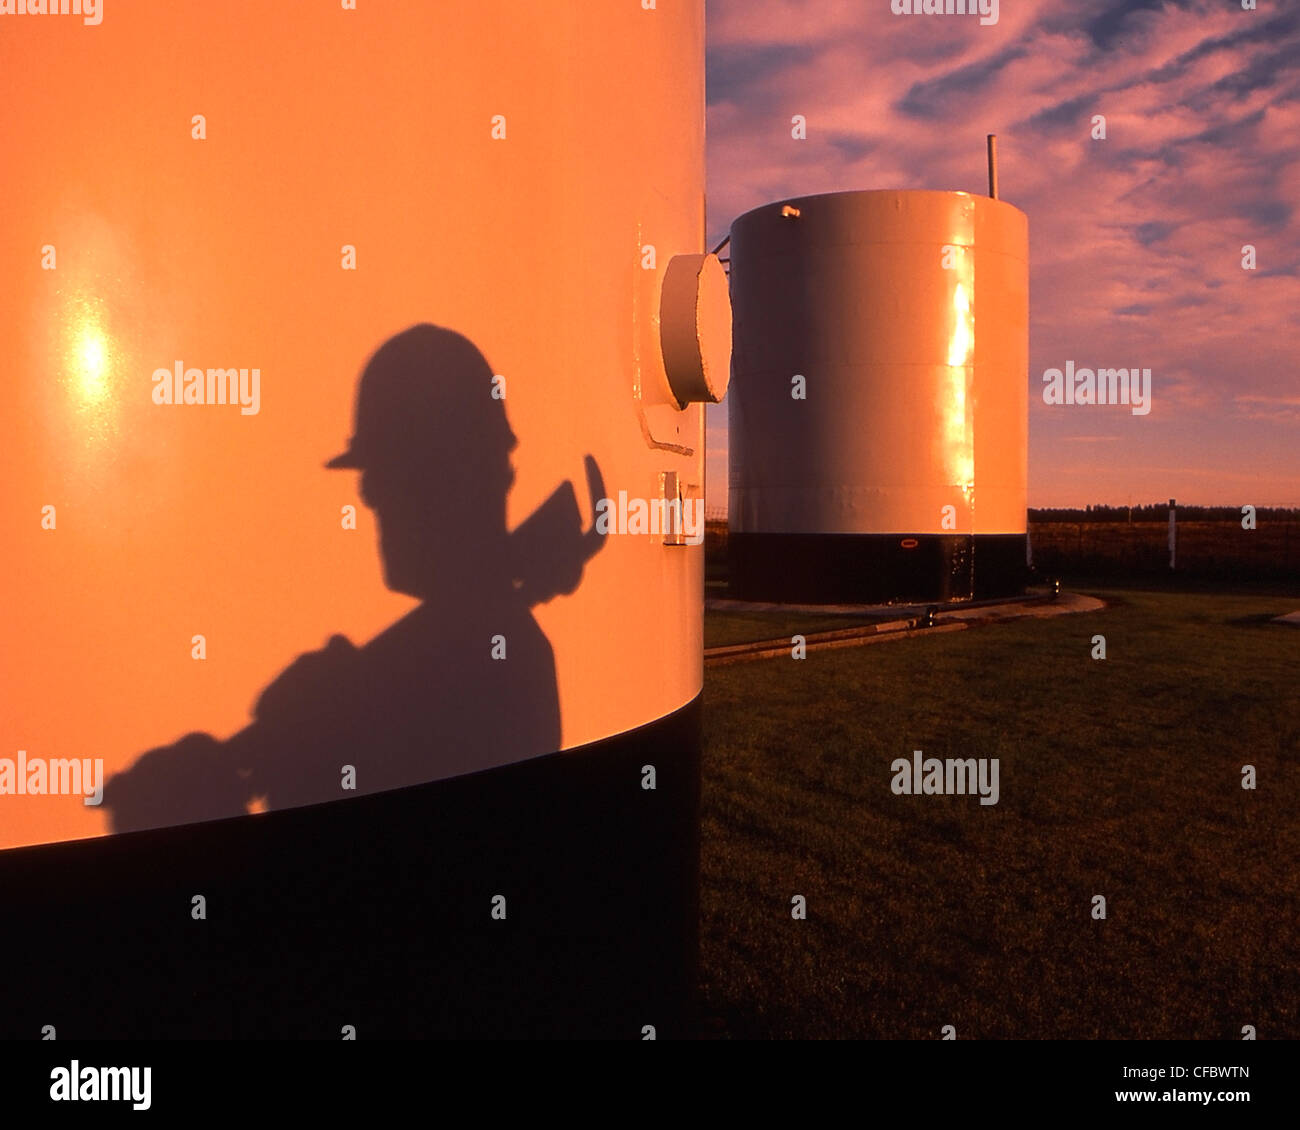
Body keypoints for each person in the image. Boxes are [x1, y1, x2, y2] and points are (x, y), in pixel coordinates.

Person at [104, 324, 603, 833]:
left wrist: (211, 809)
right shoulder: (472, 651)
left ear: (438, 481)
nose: (367, 498)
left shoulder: (479, 670)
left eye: (379, 476)